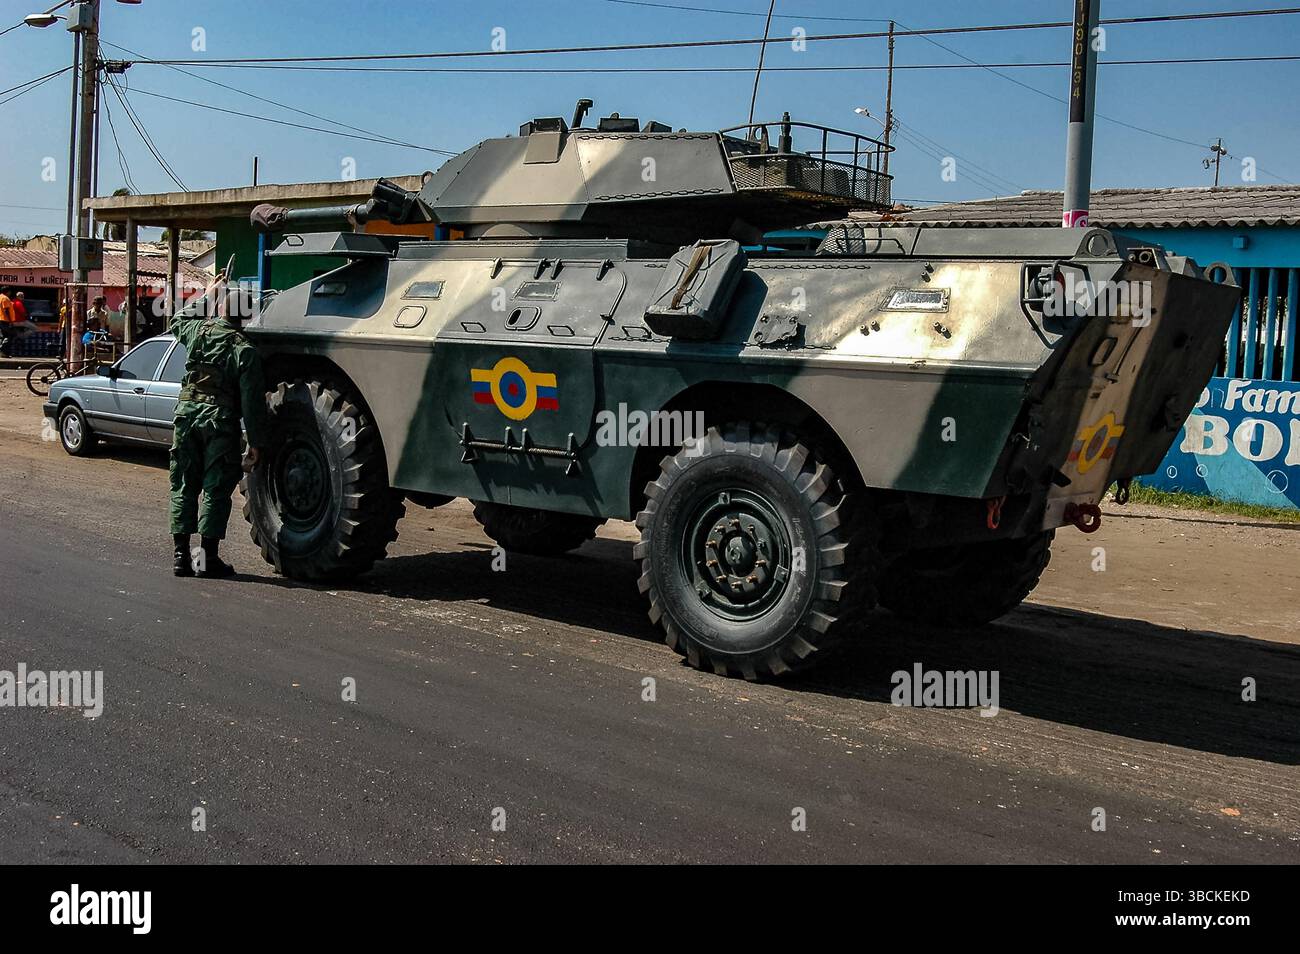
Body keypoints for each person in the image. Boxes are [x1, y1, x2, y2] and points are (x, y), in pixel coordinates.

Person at [167, 272, 269, 578]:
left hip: (185, 417)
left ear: (221, 309)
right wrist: (256, 442)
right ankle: (206, 559)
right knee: (215, 489)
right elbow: (252, 404)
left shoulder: (197, 331)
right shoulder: (245, 350)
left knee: (184, 484)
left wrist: (208, 294)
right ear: (247, 317)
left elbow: (176, 320)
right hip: (219, 423)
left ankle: (180, 557)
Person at [0, 289, 13, 357]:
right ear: (7, 291)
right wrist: (10, 321)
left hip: (1, 319)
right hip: (5, 320)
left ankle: (4, 354)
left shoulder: (0, 297)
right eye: (9, 291)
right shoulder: (5, 298)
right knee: (9, 336)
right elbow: (6, 310)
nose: (10, 292)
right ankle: (2, 349)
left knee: (4, 336)